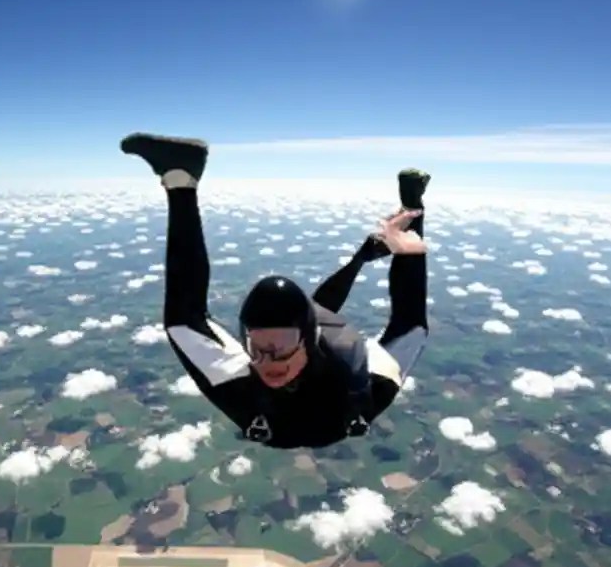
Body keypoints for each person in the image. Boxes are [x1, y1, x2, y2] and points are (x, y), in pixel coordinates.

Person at [122, 132, 430, 449]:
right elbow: (410, 326)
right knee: (342, 319)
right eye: (256, 347)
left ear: (308, 342)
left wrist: (180, 188)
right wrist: (408, 243)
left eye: (280, 348)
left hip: (321, 391)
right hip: (324, 393)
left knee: (184, 325)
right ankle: (181, 175)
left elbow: (184, 320)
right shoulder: (355, 384)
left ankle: (180, 177)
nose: (268, 362)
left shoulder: (353, 381)